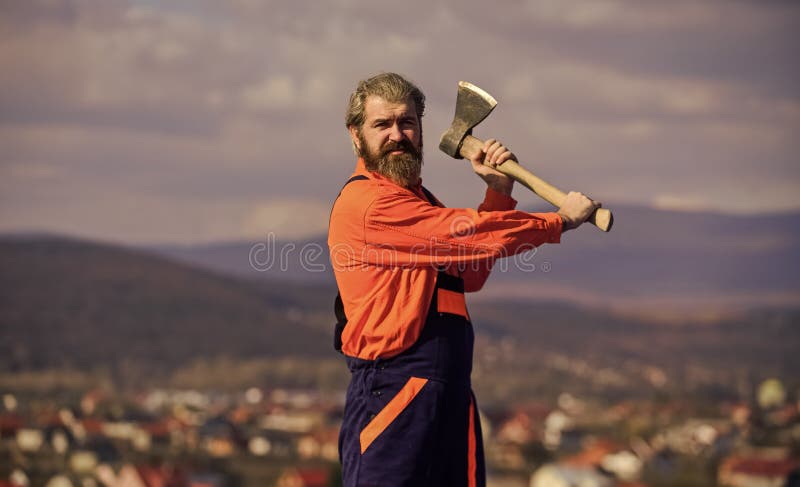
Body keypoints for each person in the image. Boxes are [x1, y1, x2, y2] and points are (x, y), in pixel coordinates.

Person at [328, 73, 599, 487]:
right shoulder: (370, 203)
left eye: (407, 123)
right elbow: (468, 235)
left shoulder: (419, 201)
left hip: (449, 389)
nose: (397, 135)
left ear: (420, 130)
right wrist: (559, 220)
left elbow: (469, 274)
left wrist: (497, 190)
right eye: (382, 125)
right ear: (355, 135)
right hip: (395, 386)